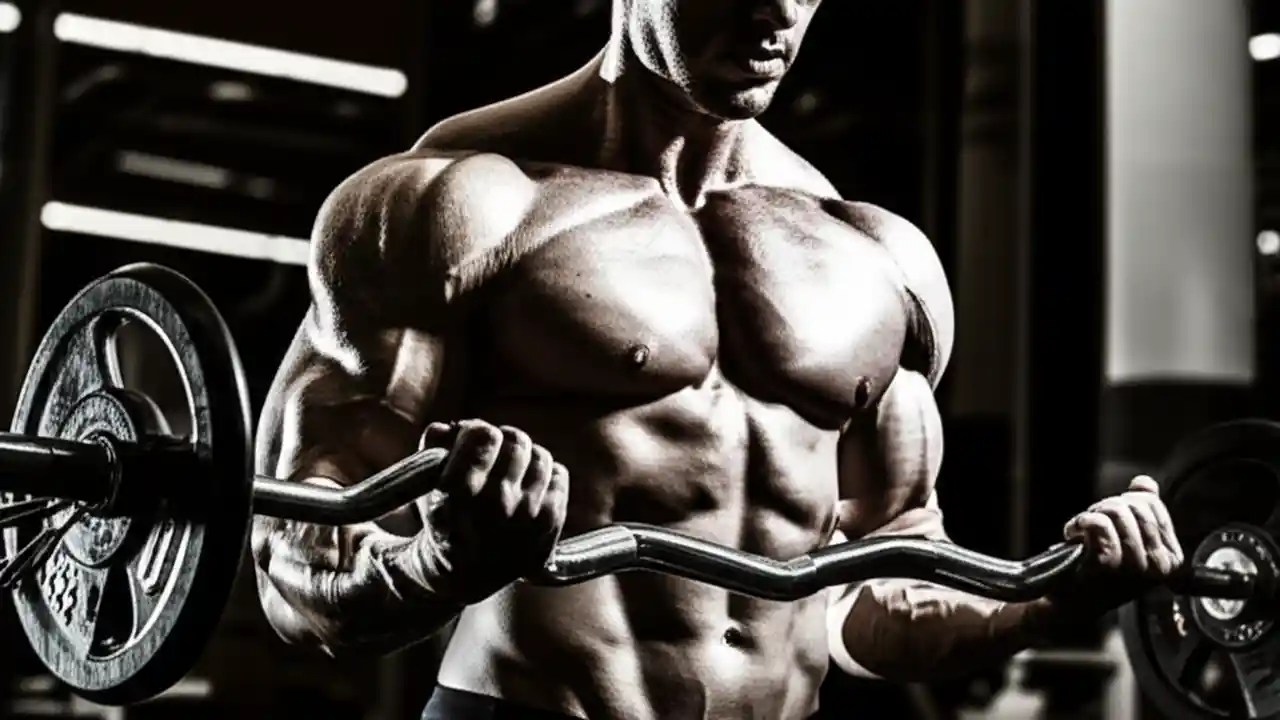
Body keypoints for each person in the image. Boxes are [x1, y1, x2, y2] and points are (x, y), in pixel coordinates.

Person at [250, 1, 1185, 718]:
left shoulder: (875, 256)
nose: (776, 13)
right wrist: (444, 562)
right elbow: (298, 569)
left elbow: (873, 600)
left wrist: (1044, 600)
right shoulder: (454, 206)